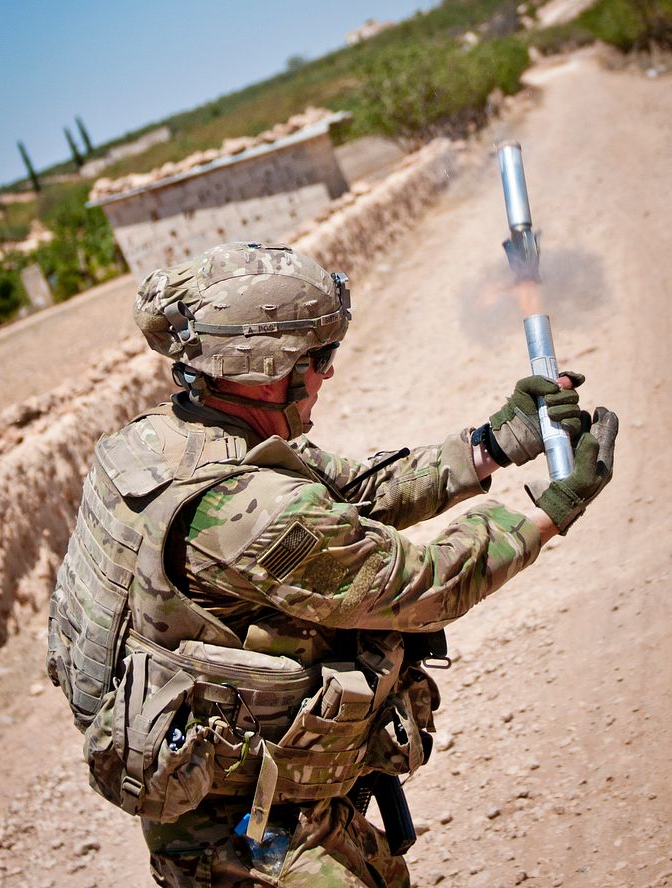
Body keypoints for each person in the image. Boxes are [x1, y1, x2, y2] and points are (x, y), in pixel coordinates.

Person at [47, 242, 617, 888]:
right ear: (269, 368)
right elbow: (420, 583)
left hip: (239, 802)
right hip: (250, 841)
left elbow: (352, 490)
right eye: (319, 359)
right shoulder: (247, 507)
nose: (328, 375)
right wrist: (550, 511)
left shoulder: (164, 439)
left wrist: (492, 445)